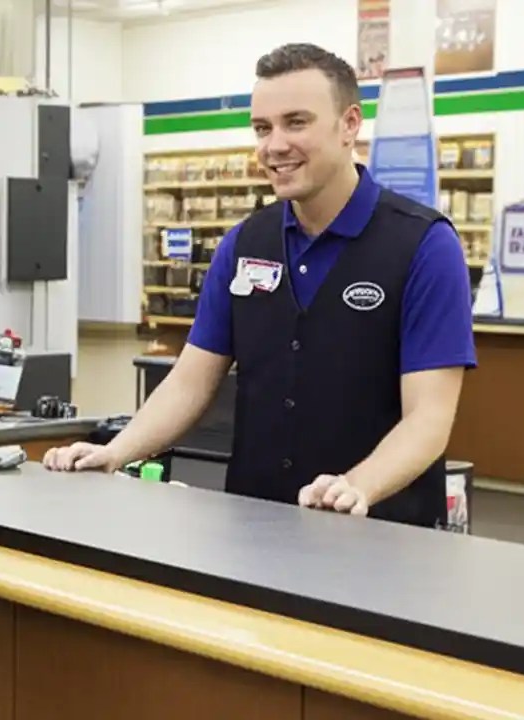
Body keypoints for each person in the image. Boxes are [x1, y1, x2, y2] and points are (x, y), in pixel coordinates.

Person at [45, 44, 476, 527]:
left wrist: (357, 486)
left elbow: (428, 419)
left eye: (296, 122)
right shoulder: (244, 244)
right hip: (253, 528)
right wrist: (115, 452)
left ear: (349, 124)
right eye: (262, 128)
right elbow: (189, 382)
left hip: (381, 535)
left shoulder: (424, 246)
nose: (275, 145)